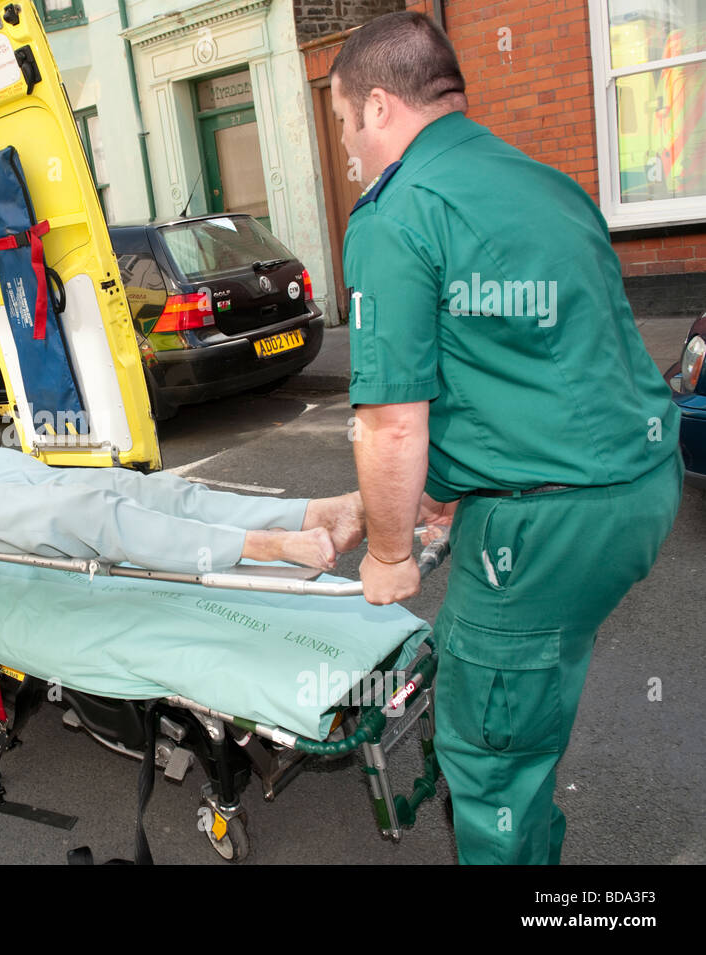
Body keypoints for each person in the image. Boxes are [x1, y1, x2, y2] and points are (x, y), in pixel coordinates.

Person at [330, 11, 683, 863]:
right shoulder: (546, 183)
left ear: (379, 108)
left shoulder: (398, 211)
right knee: (506, 682)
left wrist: (387, 553)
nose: (346, 150)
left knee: (489, 756)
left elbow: (389, 422)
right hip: (637, 488)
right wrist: (446, 497)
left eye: (344, 123)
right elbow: (545, 361)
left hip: (544, 524)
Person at [0, 427, 365, 574]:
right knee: (89, 517)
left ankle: (311, 512)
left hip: (6, 471)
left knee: (138, 485)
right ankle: (266, 545)